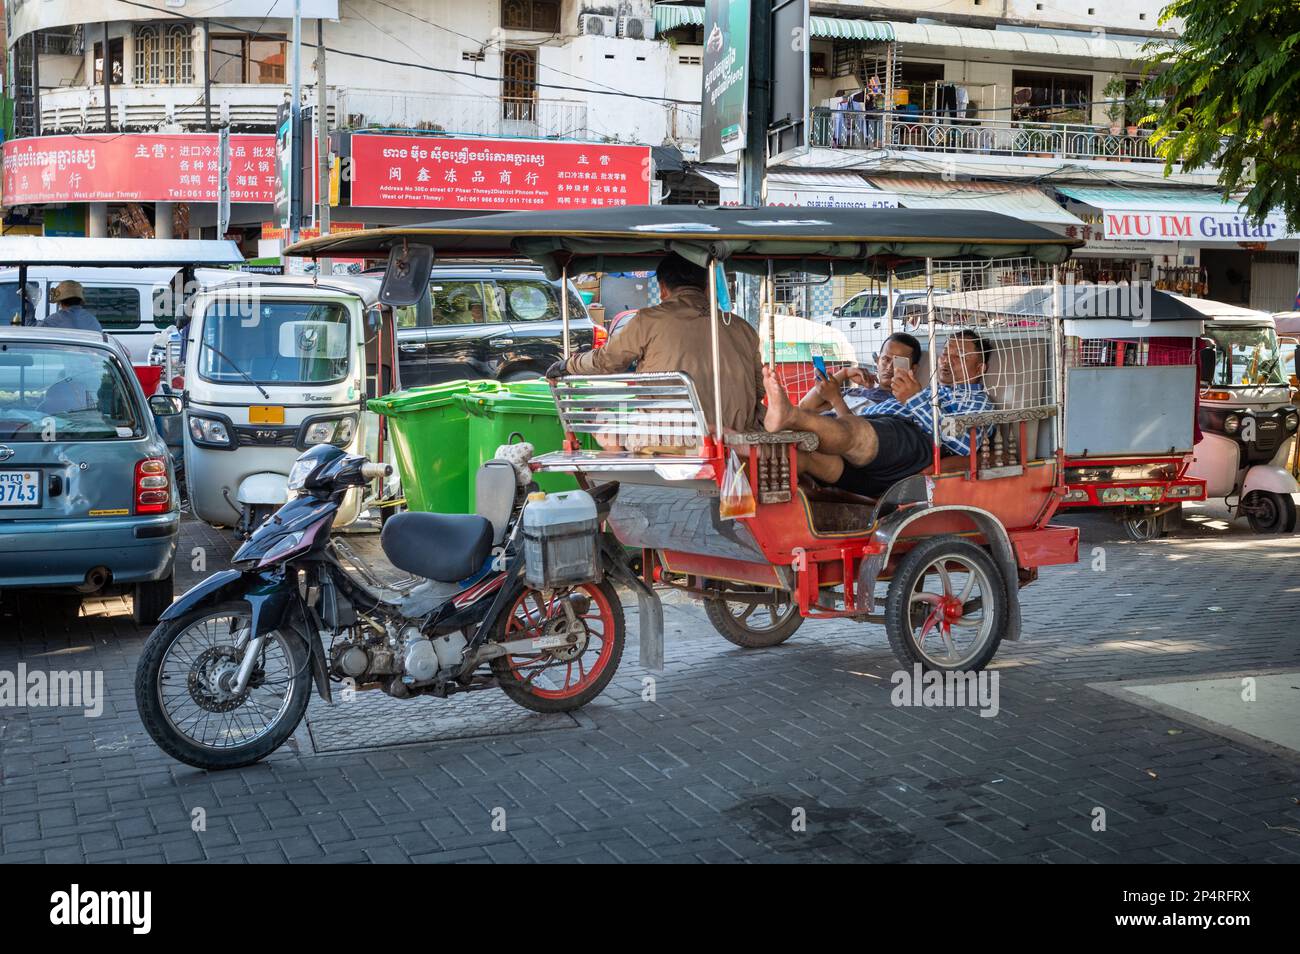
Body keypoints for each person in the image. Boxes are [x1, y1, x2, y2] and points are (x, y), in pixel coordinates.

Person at [548, 253, 765, 439]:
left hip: (675, 437)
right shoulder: (742, 327)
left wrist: (569, 364)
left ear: (662, 288)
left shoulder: (648, 320)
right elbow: (759, 389)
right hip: (738, 435)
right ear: (707, 287)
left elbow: (607, 362)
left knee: (605, 420)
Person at [763, 329, 993, 499]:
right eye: (945, 353)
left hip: (911, 440)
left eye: (959, 356)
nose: (946, 360)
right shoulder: (929, 391)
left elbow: (963, 443)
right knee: (804, 455)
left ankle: (791, 415)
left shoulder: (977, 401)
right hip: (875, 454)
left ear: (980, 368)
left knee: (855, 432)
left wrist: (914, 399)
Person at [798, 332, 923, 417]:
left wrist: (835, 399)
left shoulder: (899, 405)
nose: (890, 367)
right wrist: (844, 373)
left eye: (898, 362)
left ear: (913, 368)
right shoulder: (858, 392)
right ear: (878, 360)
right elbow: (805, 407)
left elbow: (855, 436)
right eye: (886, 359)